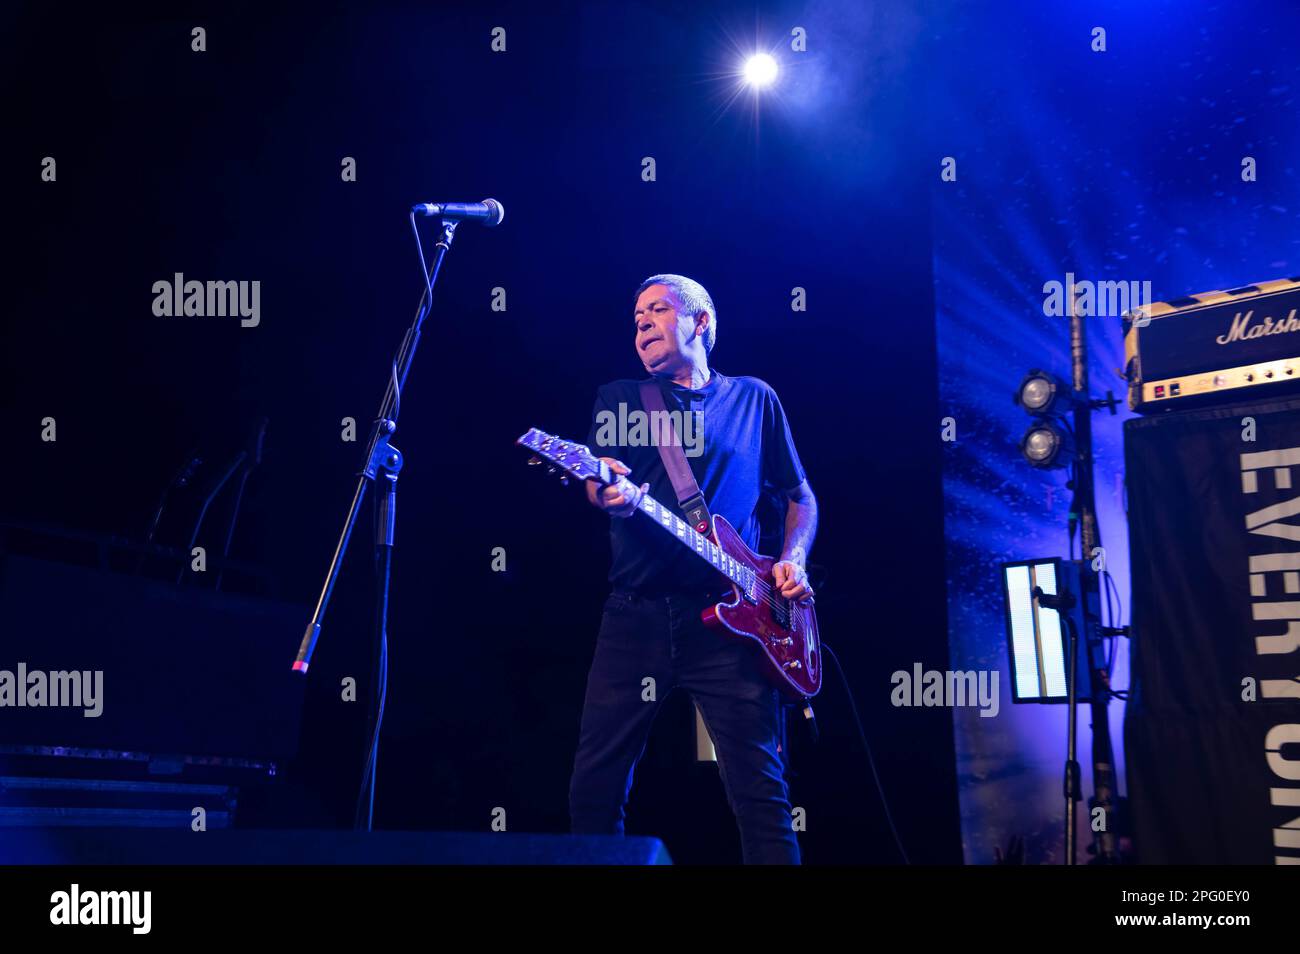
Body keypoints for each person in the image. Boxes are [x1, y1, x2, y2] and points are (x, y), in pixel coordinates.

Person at [567, 273, 817, 864]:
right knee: (595, 788)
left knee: (761, 793)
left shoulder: (755, 398)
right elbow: (597, 481)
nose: (642, 325)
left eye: (656, 310)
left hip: (738, 623)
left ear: (700, 322)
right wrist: (606, 492)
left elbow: (799, 497)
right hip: (637, 618)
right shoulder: (622, 399)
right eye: (635, 318)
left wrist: (792, 559)